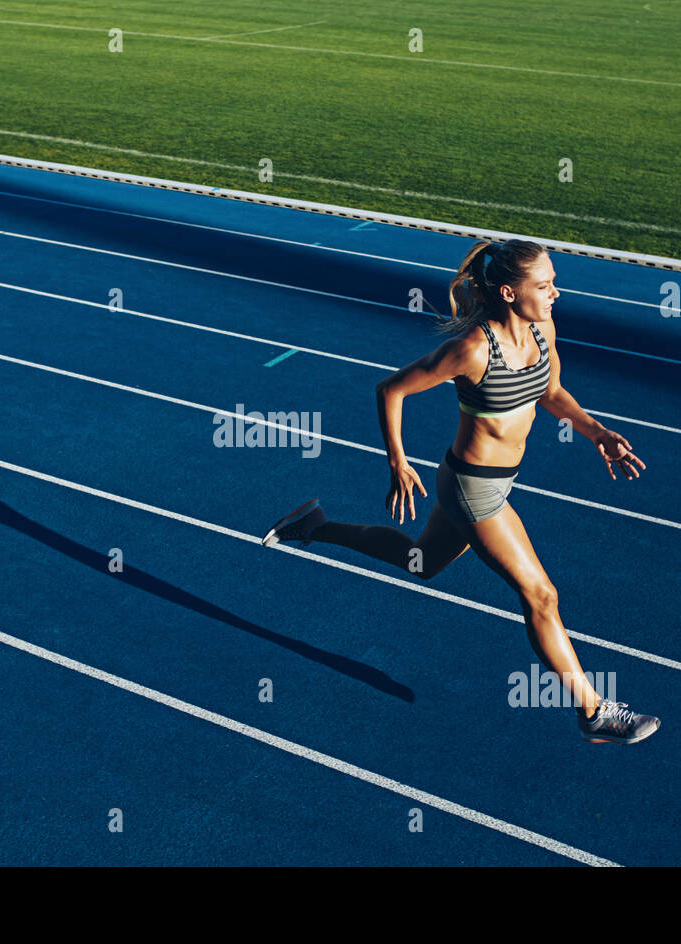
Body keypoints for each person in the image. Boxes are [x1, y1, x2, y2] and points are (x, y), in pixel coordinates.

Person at [262, 239, 660, 744]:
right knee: (541, 595)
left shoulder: (543, 330)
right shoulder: (473, 349)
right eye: (544, 285)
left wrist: (596, 431)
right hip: (474, 489)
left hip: (488, 484)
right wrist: (397, 461)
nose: (556, 292)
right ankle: (593, 712)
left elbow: (552, 393)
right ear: (511, 294)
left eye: (553, 282)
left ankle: (316, 525)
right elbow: (392, 389)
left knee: (421, 562)